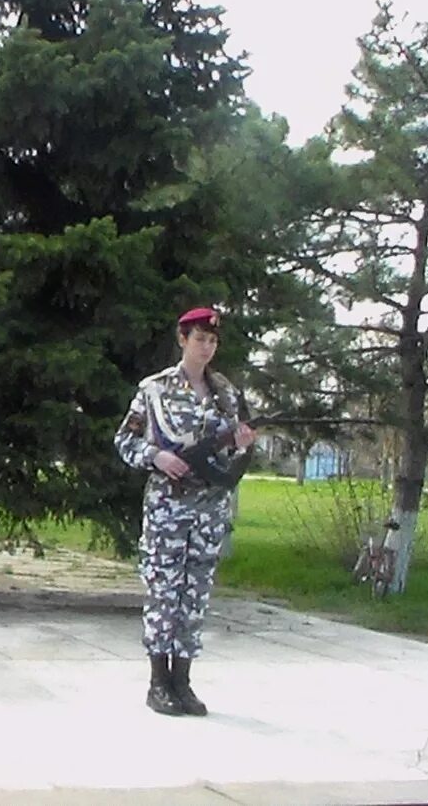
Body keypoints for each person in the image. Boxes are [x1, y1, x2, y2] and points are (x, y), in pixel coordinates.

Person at [115, 307, 255, 716]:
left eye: (212, 341)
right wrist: (156, 456)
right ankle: (158, 682)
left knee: (196, 593)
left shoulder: (226, 392)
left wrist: (242, 443)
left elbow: (232, 451)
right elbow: (125, 440)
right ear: (182, 340)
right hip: (168, 506)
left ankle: (183, 681)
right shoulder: (154, 389)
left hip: (209, 508)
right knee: (164, 590)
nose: (206, 348)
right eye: (199, 340)